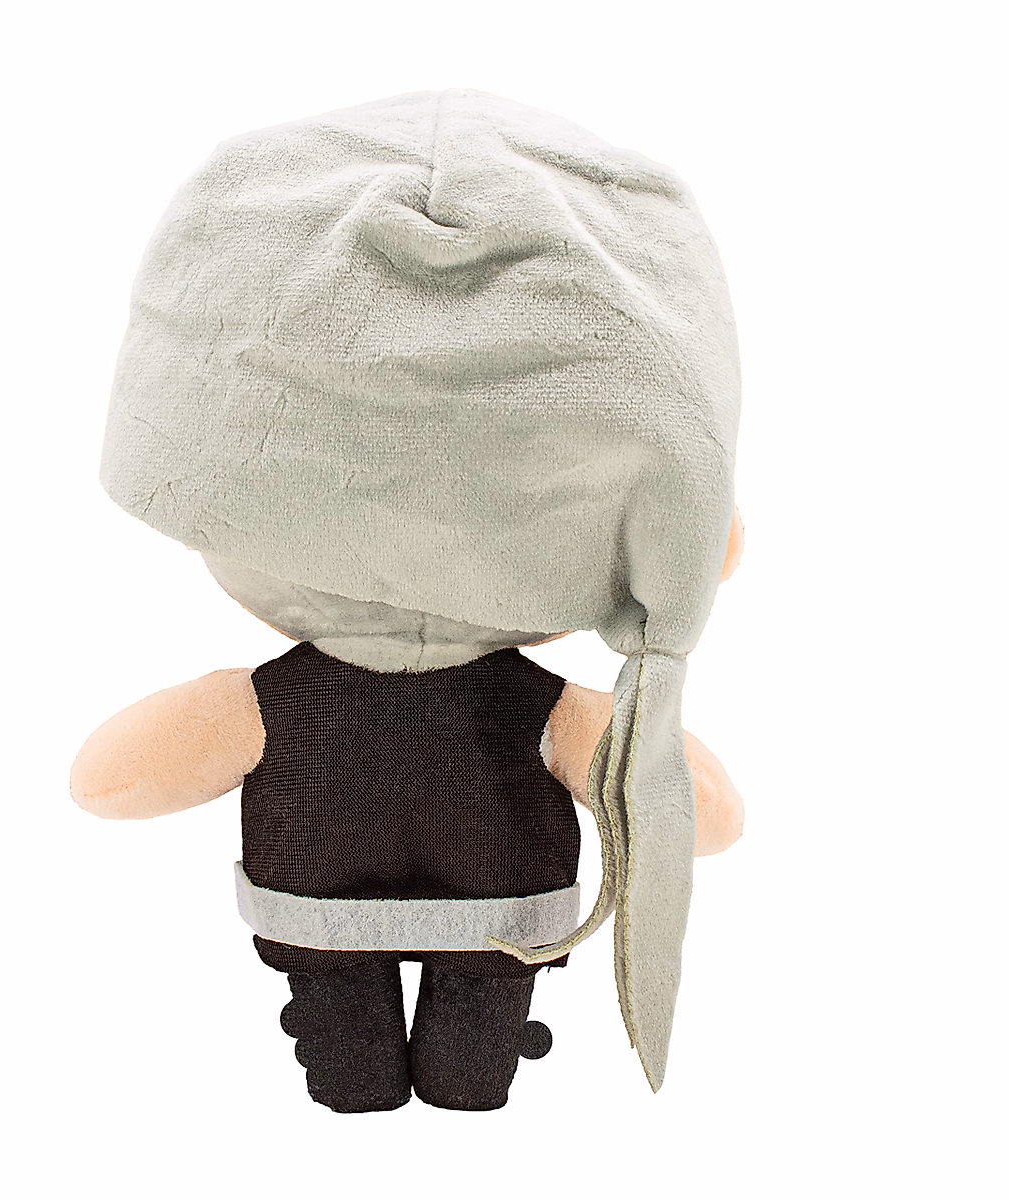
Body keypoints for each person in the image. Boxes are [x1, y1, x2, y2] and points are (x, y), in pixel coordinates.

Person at [75, 88, 746, 1108]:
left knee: (405, 1053)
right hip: (491, 908)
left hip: (347, 902)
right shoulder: (540, 711)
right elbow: (699, 811)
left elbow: (118, 777)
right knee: (432, 1053)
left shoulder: (274, 702)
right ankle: (430, 1052)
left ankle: (408, 1053)